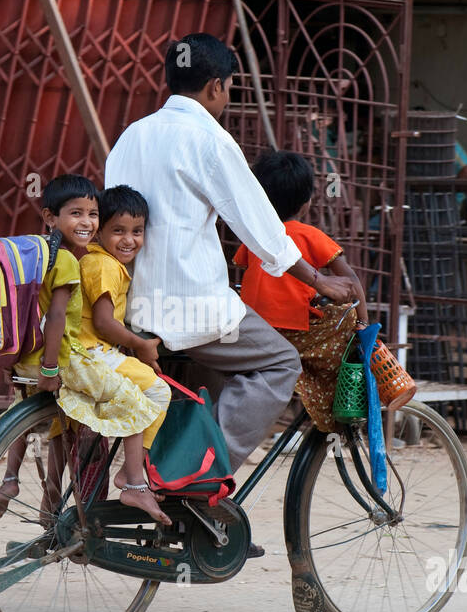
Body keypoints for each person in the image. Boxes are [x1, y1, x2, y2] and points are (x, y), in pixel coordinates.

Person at [106, 32, 356, 558]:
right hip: (191, 306)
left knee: (200, 382)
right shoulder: (211, 140)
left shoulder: (131, 135)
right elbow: (263, 227)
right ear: (217, 86)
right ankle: (201, 482)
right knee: (278, 364)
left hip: (130, 306)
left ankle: (175, 477)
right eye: (229, 90)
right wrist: (320, 281)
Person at [0, 174, 168, 524]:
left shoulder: (42, 253)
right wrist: (54, 367)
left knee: (53, 426)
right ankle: (133, 480)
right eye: (77, 214)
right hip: (72, 356)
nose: (86, 222)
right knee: (144, 396)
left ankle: (23, 489)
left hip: (33, 355)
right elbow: (84, 320)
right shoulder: (82, 261)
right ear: (51, 217)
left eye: (92, 213)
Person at [235, 150, 368, 432]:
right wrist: (363, 322)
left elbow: (243, 266)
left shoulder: (256, 237)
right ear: (307, 202)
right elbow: (351, 279)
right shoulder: (310, 234)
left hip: (254, 328)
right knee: (341, 343)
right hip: (296, 332)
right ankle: (327, 415)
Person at [77, 185, 172, 452]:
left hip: (80, 352)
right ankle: (133, 475)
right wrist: (140, 345)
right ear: (99, 232)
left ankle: (51, 488)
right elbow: (104, 322)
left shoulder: (95, 261)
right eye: (118, 230)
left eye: (137, 231)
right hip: (93, 353)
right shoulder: (106, 265)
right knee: (158, 392)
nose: (129, 240)